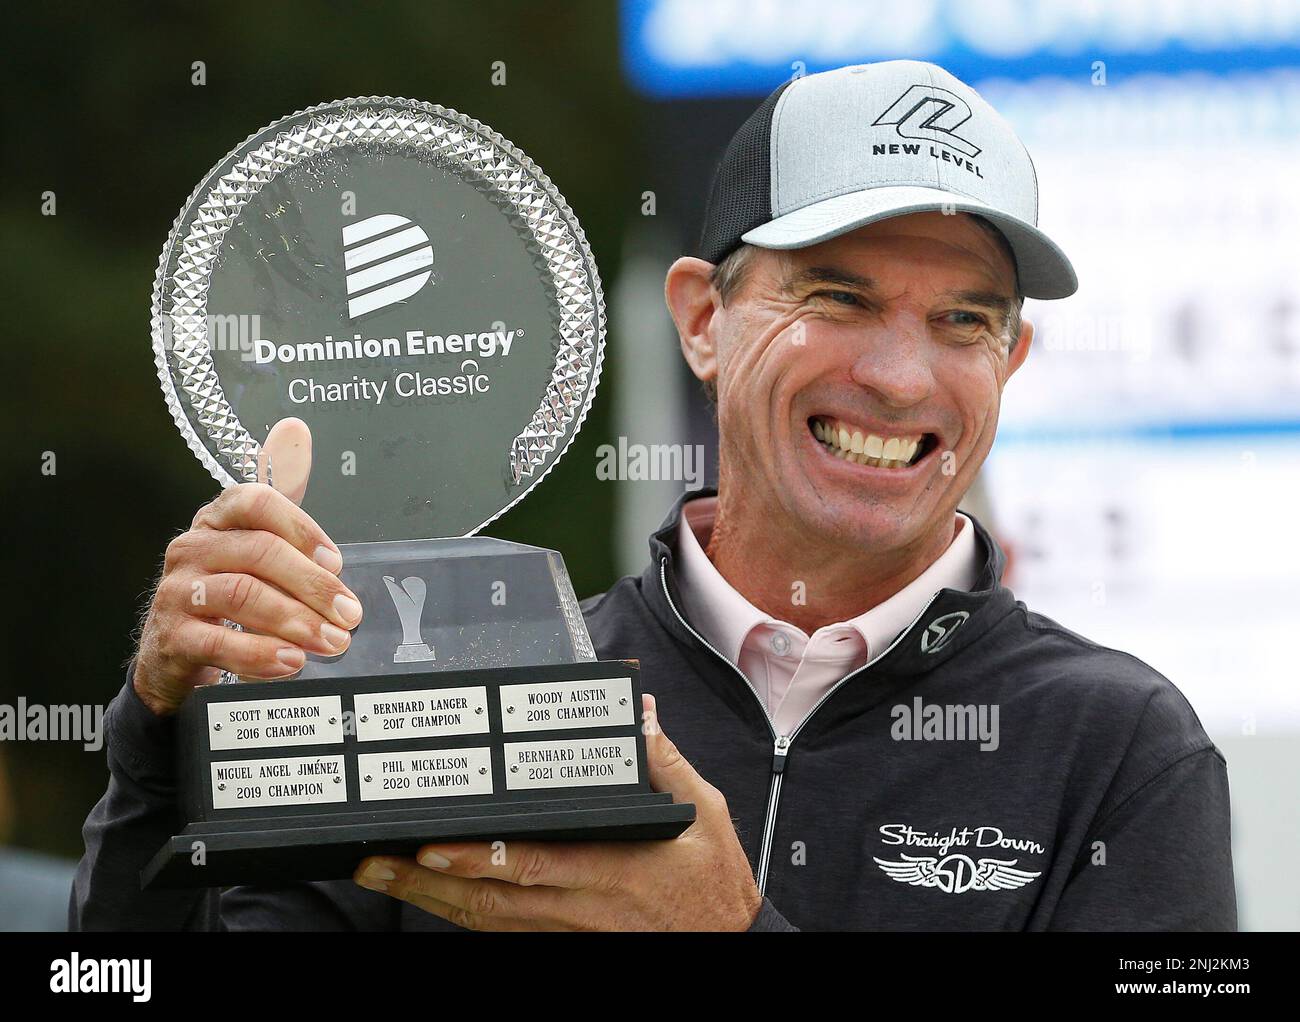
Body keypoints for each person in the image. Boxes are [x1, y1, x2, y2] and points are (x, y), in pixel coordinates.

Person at [71, 60, 1235, 931]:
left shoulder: (1123, 746)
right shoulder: (485, 692)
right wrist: (160, 734)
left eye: (962, 319)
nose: (897, 374)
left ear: (1009, 361)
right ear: (700, 320)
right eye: (836, 297)